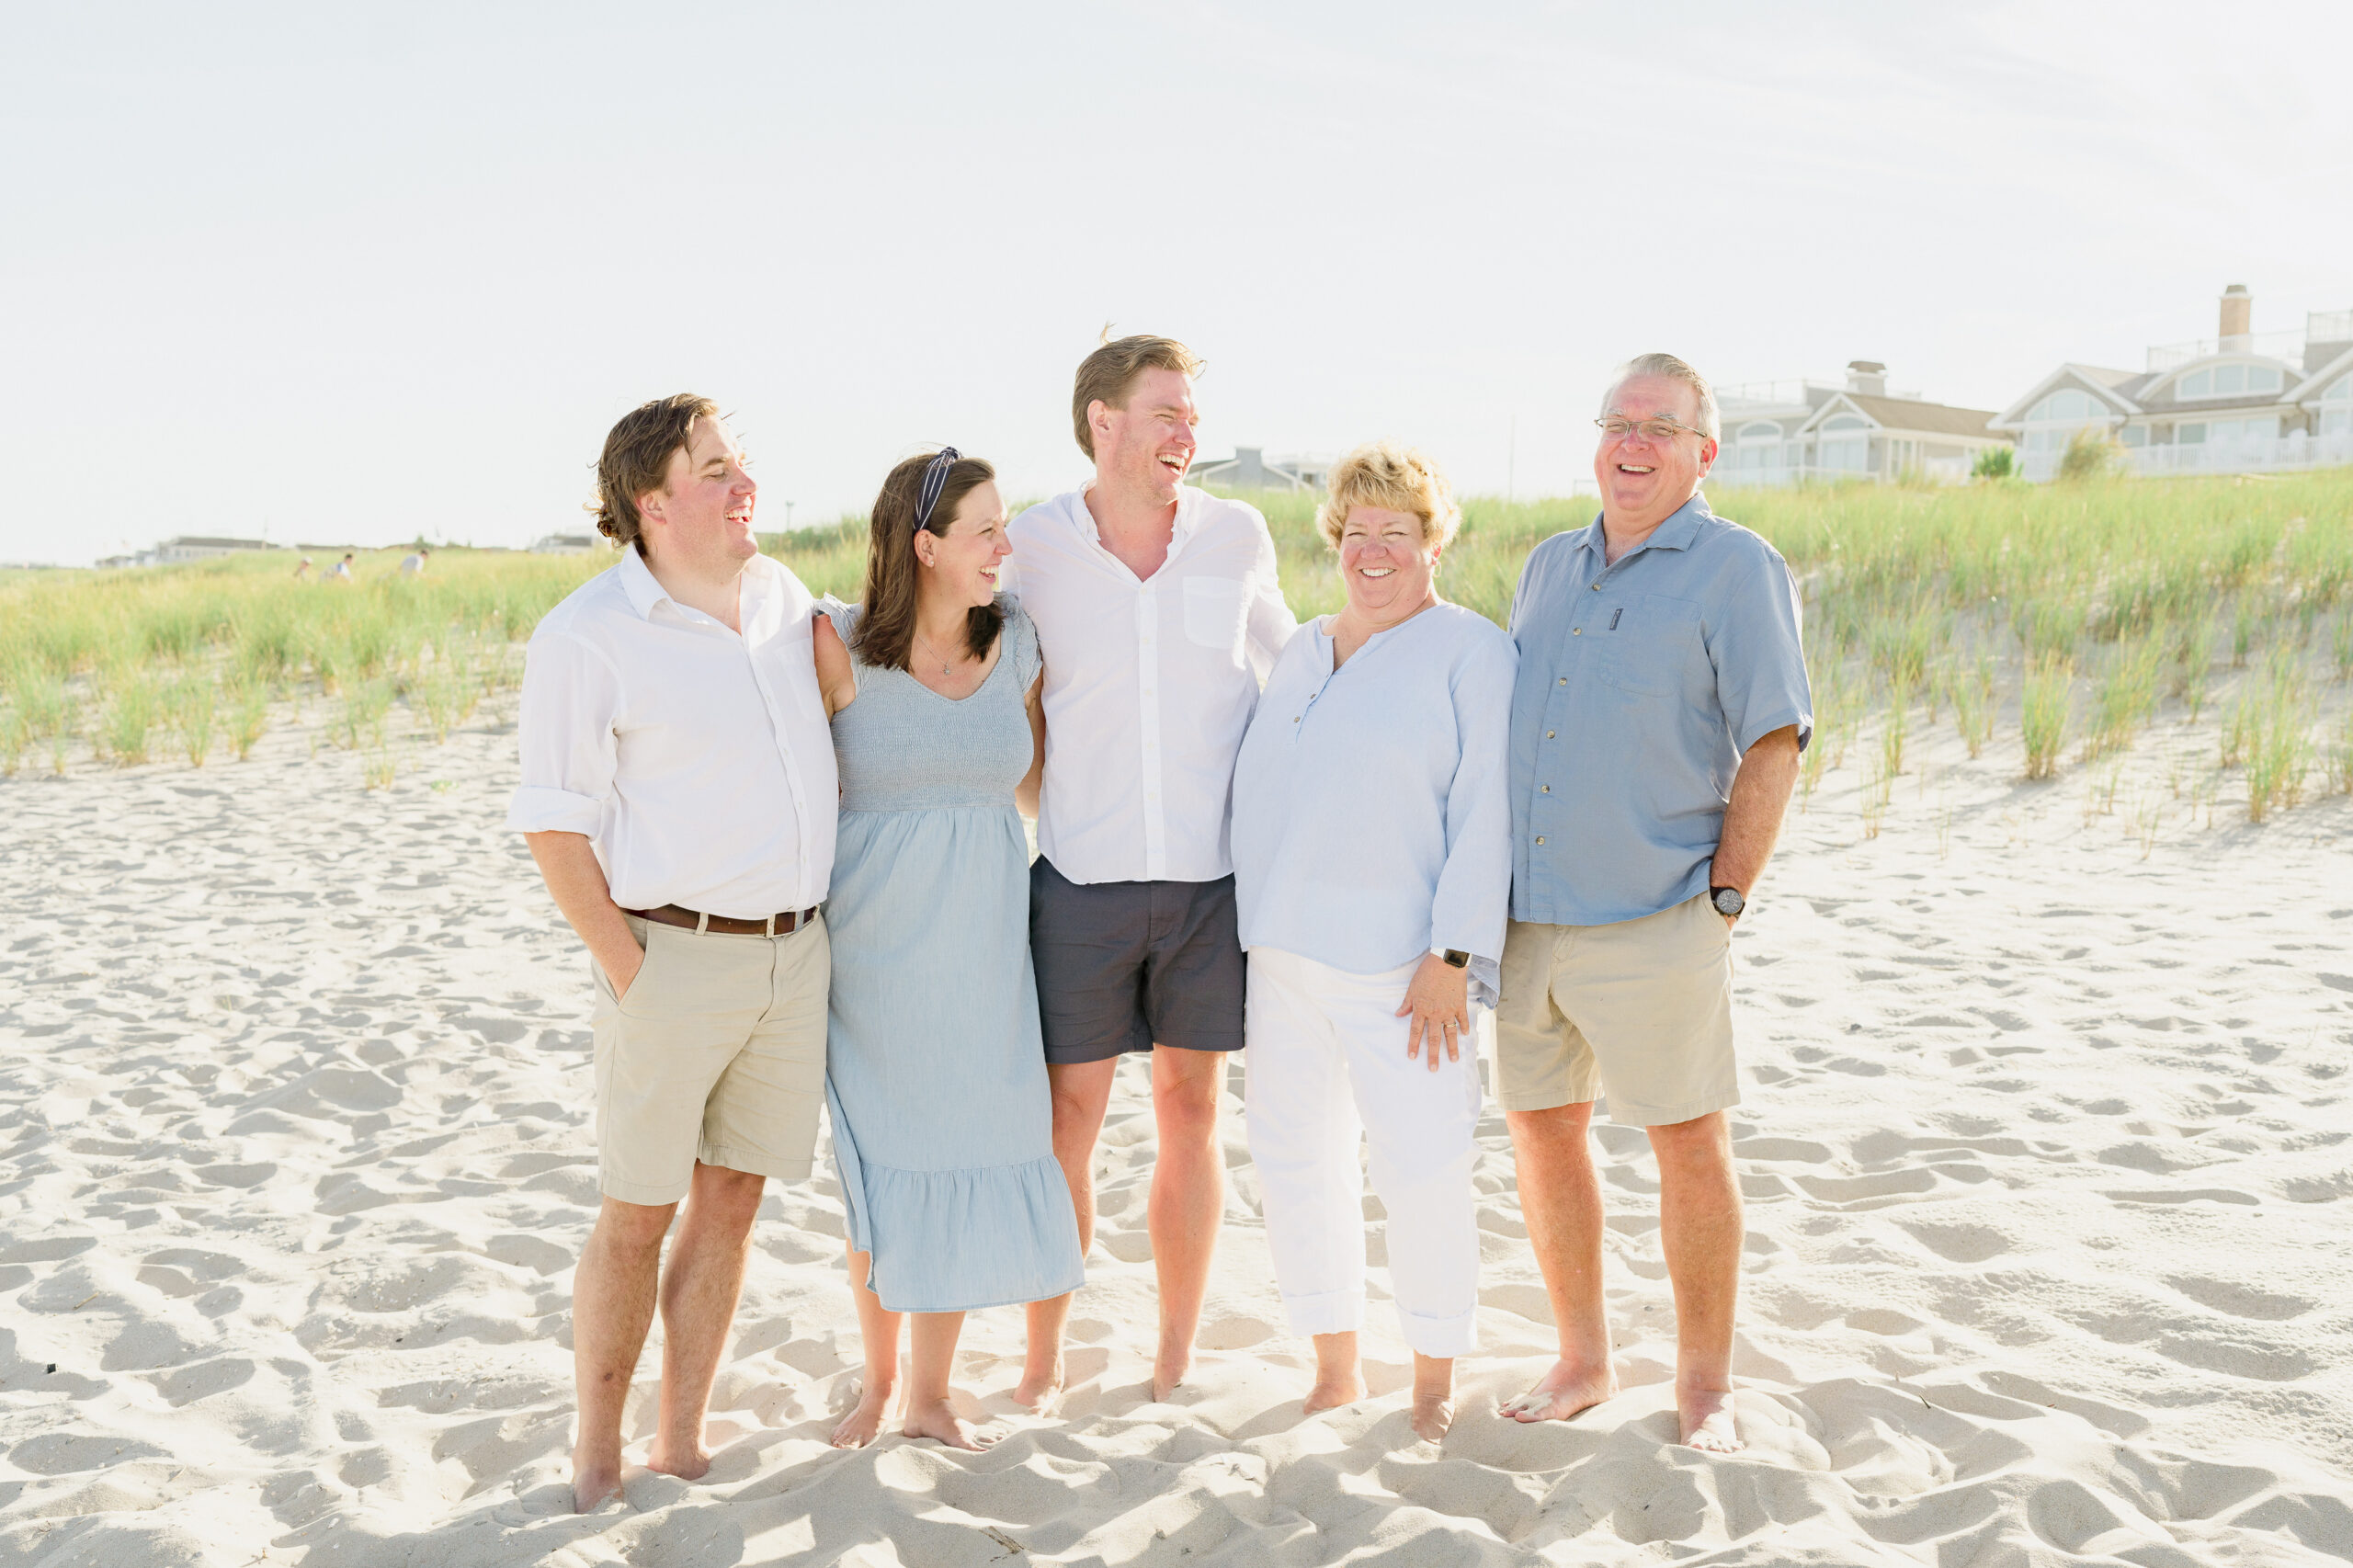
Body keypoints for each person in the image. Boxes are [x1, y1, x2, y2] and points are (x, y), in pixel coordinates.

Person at [506, 394, 837, 1509]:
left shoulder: (783, 597)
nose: (745, 485)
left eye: (742, 463)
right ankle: (597, 1452)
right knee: (637, 1209)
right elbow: (553, 825)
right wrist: (629, 966)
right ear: (652, 502)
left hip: (795, 957)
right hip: (668, 959)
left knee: (734, 1194)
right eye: (716, 470)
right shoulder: (587, 634)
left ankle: (680, 1436)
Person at [1495, 353, 1811, 1454]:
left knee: (1685, 1141)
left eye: (1659, 428)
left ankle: (1706, 1385)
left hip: (1655, 915)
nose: (1632, 443)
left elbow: (1774, 736)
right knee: (1542, 1137)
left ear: (1700, 451)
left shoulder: (1736, 566)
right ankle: (1583, 1356)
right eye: (1617, 421)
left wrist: (1725, 893)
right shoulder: (1547, 564)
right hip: (1524, 921)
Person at [1007, 334, 1295, 1407]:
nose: (1187, 433)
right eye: (1166, 412)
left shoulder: (1237, 535)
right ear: (1103, 421)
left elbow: (1290, 665)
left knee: (1189, 1109)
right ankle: (1044, 1358)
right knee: (1065, 1122)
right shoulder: (1032, 543)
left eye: (1192, 417)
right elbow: (998, 682)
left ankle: (1174, 1354)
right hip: (1076, 879)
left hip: (1209, 884)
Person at [1229, 442, 1515, 1444]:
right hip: (1284, 958)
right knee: (1295, 1159)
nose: (1376, 550)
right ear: (1335, 540)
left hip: (1406, 970)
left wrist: (1454, 956)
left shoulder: (1474, 652)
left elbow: (1488, 812)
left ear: (1434, 542)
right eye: (1359, 532)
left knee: (1424, 1166)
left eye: (1398, 531)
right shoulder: (1303, 648)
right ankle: (1334, 1362)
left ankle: (1432, 1373)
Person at [811, 449, 1086, 1451]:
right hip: (871, 952)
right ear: (925, 546)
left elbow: (1038, 784)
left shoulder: (1017, 642)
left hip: (983, 950)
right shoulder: (834, 644)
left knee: (963, 1155)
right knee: (883, 1169)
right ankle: (879, 1384)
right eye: (984, 530)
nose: (1003, 547)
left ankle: (929, 1392)